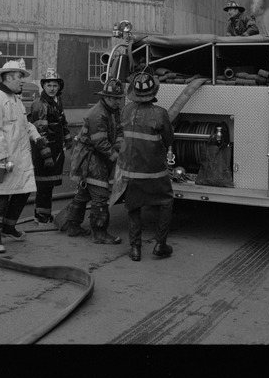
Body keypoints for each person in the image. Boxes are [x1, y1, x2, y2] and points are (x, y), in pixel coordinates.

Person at [0, 60, 54, 254]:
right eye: (20, 77)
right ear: (9, 77)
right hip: (2, 160)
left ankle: (8, 227)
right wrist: (2, 158)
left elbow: (25, 124)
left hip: (19, 159)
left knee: (23, 191)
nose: (22, 81)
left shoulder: (15, 100)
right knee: (1, 197)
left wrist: (37, 138)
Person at [110, 71, 175, 262]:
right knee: (166, 202)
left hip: (131, 171)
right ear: (153, 92)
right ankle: (160, 245)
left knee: (134, 208)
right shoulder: (160, 113)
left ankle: (135, 249)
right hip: (155, 173)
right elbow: (169, 139)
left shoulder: (126, 110)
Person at [63, 78, 125, 245]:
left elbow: (118, 130)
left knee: (84, 193)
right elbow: (100, 143)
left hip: (98, 155)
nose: (117, 101)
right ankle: (99, 233)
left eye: (119, 98)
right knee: (100, 195)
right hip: (90, 157)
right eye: (114, 98)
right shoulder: (97, 114)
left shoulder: (113, 110)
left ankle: (73, 226)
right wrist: (118, 158)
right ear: (105, 97)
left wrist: (121, 145)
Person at [28, 68, 72, 224]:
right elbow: (41, 134)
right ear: (43, 86)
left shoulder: (56, 103)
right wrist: (46, 155)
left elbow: (63, 123)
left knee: (48, 186)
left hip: (55, 150)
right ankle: (40, 216)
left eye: (55, 85)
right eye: (49, 85)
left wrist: (68, 140)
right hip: (44, 152)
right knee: (44, 186)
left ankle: (44, 215)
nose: (52, 88)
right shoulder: (39, 105)